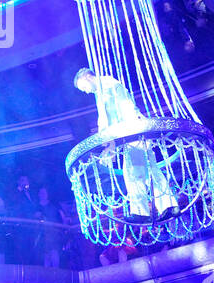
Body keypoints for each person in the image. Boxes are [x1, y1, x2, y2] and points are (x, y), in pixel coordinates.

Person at [74, 67, 177, 219]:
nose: (86, 91)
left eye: (83, 87)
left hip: (132, 133)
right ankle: (167, 206)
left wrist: (112, 139)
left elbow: (121, 110)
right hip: (132, 133)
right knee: (147, 170)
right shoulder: (105, 87)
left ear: (87, 77)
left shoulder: (108, 84)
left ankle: (143, 212)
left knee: (135, 173)